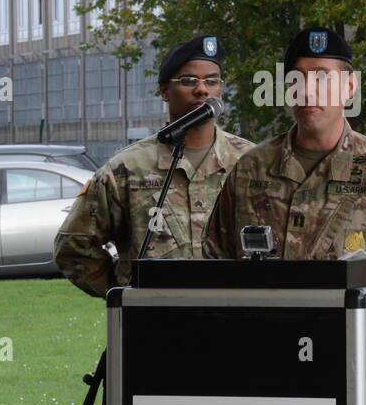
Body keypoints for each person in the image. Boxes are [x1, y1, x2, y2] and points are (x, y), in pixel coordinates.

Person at [203, 27, 366, 313]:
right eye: (297, 78)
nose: (308, 89)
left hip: (352, 349)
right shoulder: (251, 170)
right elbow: (212, 263)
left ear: (350, 86)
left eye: (322, 77)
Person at [55, 34, 253, 298]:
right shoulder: (127, 167)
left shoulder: (251, 163)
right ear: (163, 91)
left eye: (211, 81)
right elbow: (73, 246)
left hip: (233, 319)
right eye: (188, 81)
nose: (202, 90)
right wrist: (125, 290)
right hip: (154, 325)